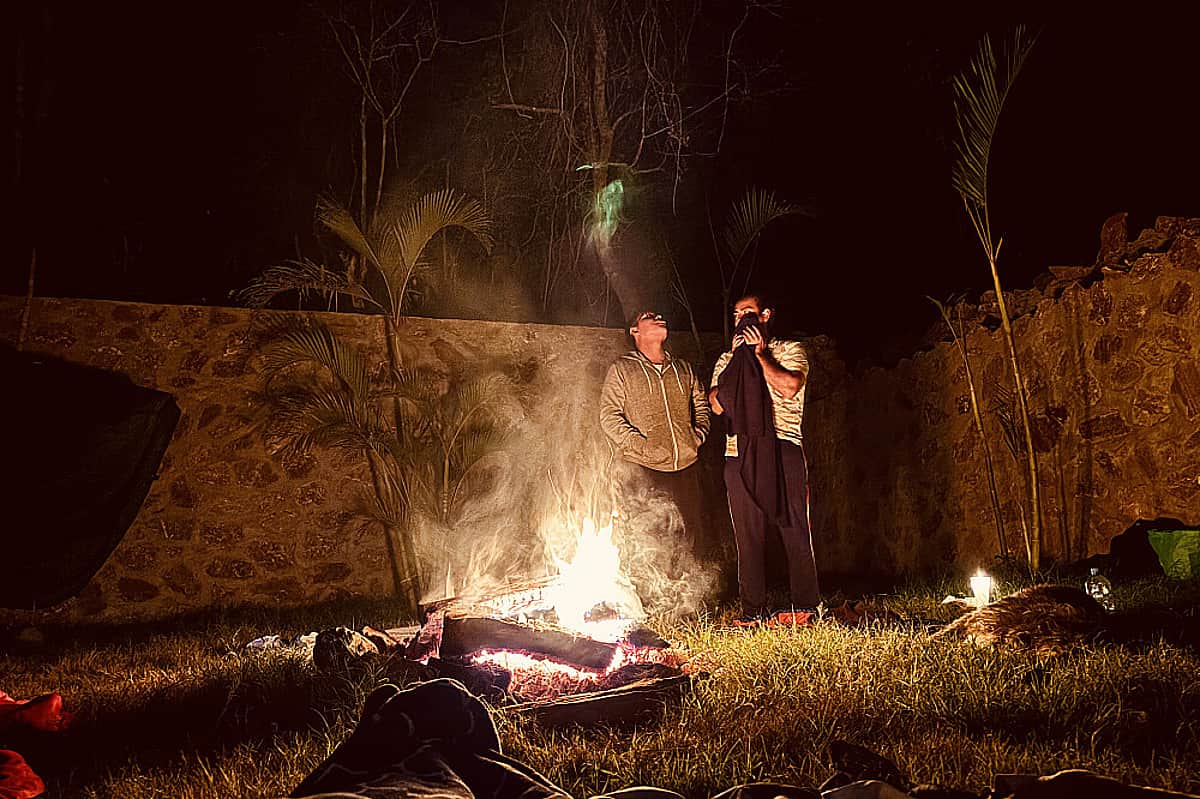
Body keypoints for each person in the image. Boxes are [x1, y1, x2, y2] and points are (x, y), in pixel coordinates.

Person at [708, 293, 818, 622]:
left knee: (795, 526)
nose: (742, 319)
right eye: (737, 314)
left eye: (749, 313)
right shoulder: (726, 360)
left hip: (783, 447)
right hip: (739, 451)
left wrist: (758, 357)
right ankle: (752, 609)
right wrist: (738, 360)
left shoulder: (789, 350)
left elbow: (789, 387)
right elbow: (716, 404)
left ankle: (806, 607)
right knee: (747, 534)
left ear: (765, 315)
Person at [599, 310, 711, 564]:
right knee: (650, 537)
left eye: (659, 314)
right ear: (634, 330)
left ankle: (694, 597)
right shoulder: (623, 369)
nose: (659, 315)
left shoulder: (683, 368)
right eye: (648, 316)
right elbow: (609, 416)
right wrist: (642, 446)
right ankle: (651, 599)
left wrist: (697, 436)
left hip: (686, 465)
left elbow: (701, 405)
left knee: (690, 533)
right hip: (642, 468)